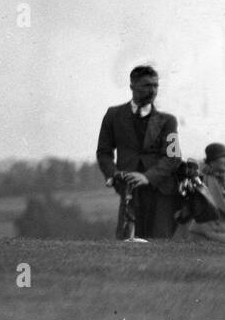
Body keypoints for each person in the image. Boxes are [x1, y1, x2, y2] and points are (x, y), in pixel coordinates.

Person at [95, 65, 182, 240]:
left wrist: (147, 177)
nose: (153, 90)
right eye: (146, 85)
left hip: (161, 191)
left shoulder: (168, 121)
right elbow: (103, 153)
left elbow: (173, 157)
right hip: (129, 190)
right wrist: (115, 174)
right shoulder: (113, 115)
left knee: (159, 242)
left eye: (156, 85)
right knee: (127, 242)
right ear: (132, 86)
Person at [182, 142, 225, 243]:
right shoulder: (203, 179)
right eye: (220, 158)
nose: (223, 161)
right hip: (207, 231)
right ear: (211, 162)